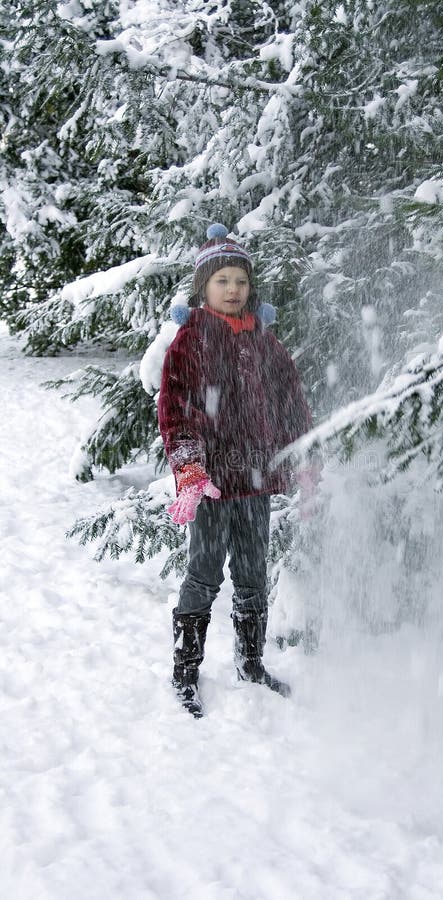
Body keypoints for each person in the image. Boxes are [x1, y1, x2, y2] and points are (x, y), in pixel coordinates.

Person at [158, 223, 312, 717]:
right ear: (204, 287)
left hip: (256, 480)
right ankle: (186, 668)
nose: (232, 290)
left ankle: (251, 662)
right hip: (211, 484)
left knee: (252, 573)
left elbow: (291, 404)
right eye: (222, 280)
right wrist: (189, 467)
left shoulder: (264, 340)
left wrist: (303, 457)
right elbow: (177, 406)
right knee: (203, 575)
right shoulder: (192, 338)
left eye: (240, 281)